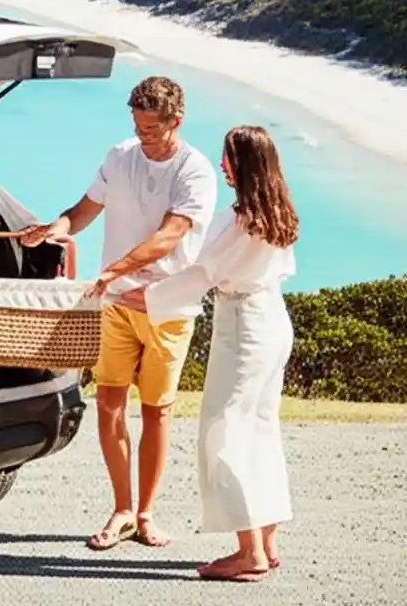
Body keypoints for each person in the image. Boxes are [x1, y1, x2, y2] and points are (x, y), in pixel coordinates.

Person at [19, 75, 218, 551]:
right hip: (117, 306)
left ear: (176, 121)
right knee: (109, 405)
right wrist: (54, 229)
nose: (143, 136)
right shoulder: (119, 155)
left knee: (157, 411)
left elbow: (170, 236)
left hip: (167, 308)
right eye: (138, 125)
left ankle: (147, 513)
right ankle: (123, 510)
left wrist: (114, 270)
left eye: (152, 128)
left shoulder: (196, 172)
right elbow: (85, 210)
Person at [118, 125, 299, 582]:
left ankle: (248, 553)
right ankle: (266, 541)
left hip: (243, 327)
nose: (222, 166)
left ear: (243, 165)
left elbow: (201, 273)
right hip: (274, 320)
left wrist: (140, 295)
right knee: (260, 430)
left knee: (223, 434)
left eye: (228, 159)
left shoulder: (237, 218)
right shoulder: (279, 214)